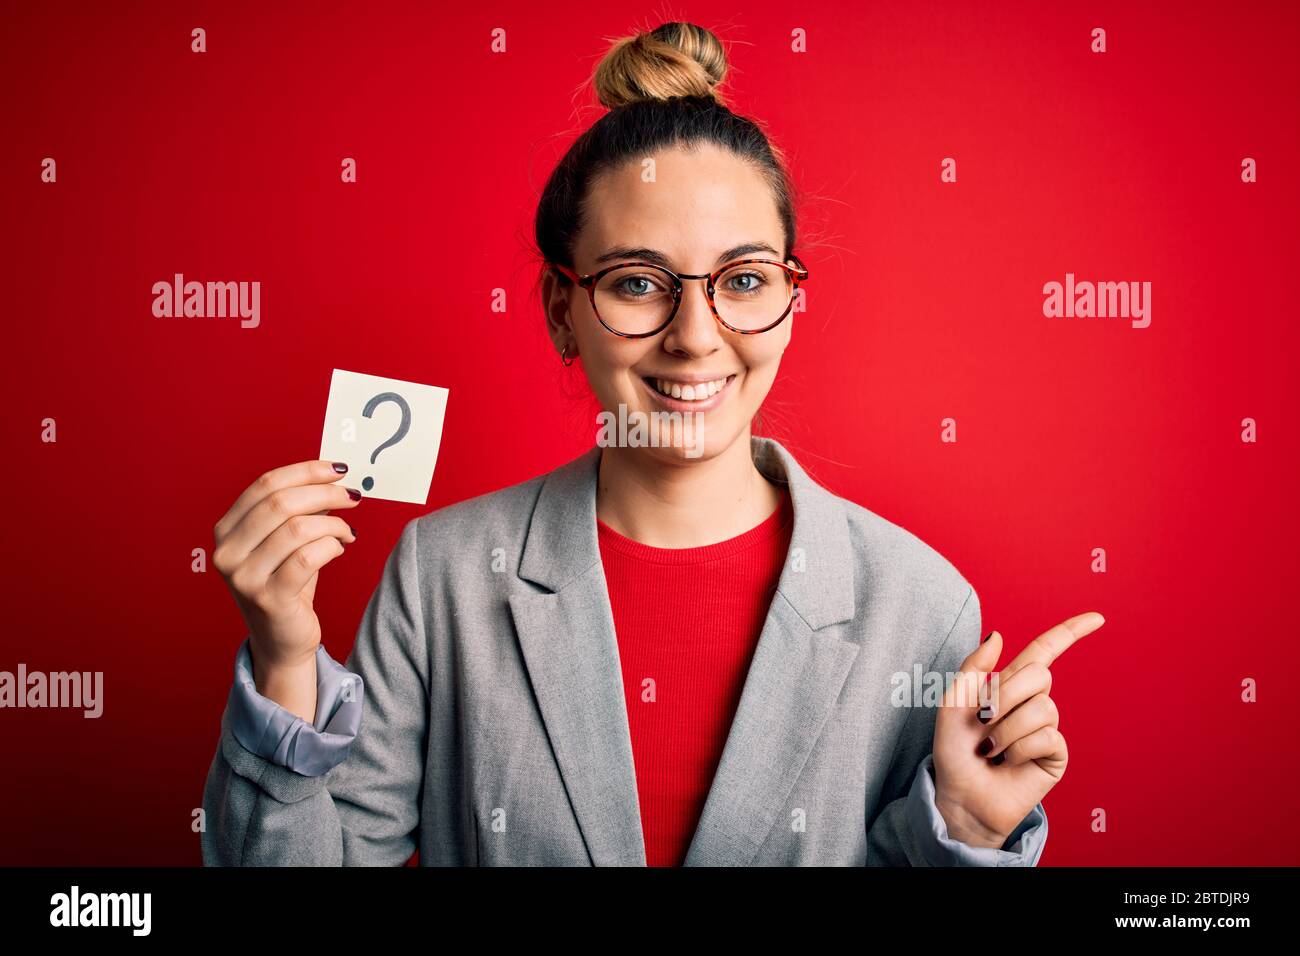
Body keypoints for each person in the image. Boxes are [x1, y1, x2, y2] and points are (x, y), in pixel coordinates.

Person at [201, 21, 1101, 866]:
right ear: (563, 311)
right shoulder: (442, 576)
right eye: (639, 283)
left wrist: (966, 830)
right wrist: (284, 663)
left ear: (794, 301)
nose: (697, 336)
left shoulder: (920, 604)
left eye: (744, 279)